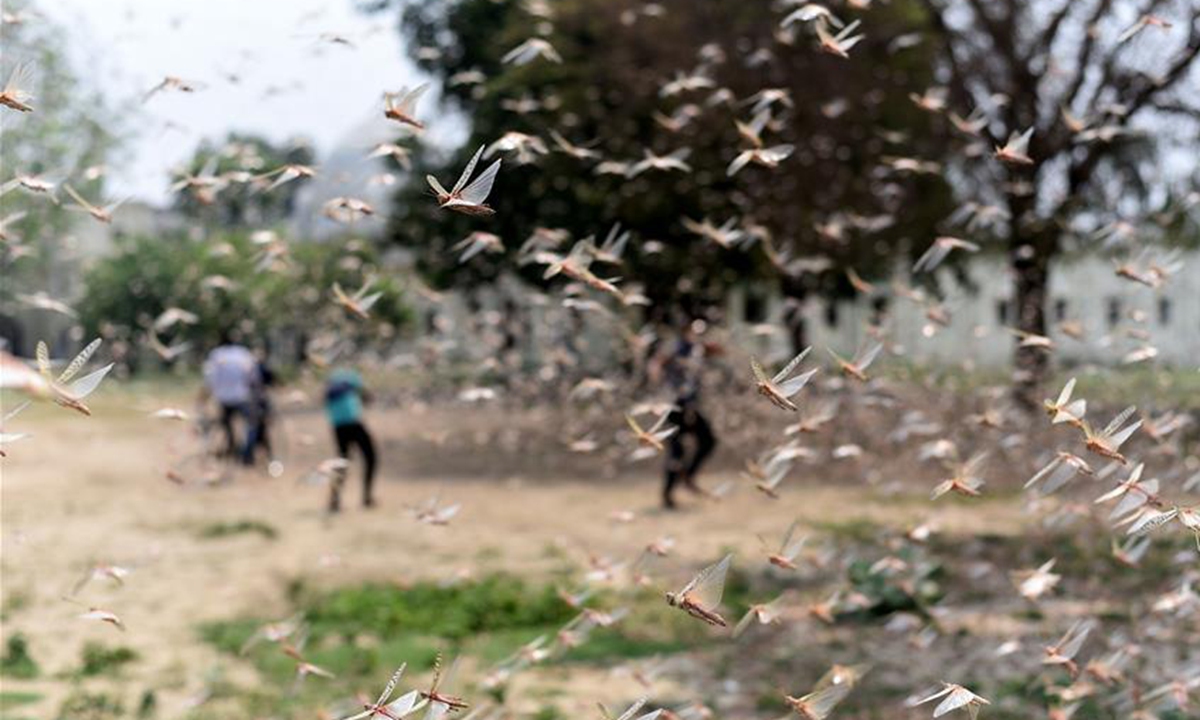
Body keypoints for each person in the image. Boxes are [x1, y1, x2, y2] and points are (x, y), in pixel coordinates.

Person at [649, 318, 718, 509]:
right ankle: (668, 495)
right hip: (675, 407)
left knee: (708, 441)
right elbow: (658, 362)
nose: (699, 335)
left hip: (690, 407)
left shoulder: (696, 349)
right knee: (676, 452)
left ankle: (688, 476)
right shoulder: (678, 348)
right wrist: (657, 375)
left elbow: (711, 352)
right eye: (695, 331)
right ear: (686, 331)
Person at [324, 367, 377, 511]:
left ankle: (334, 501)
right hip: (353, 423)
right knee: (370, 457)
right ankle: (367, 498)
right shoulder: (352, 375)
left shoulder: (331, 376)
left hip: (337, 426)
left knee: (342, 462)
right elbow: (366, 396)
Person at [202, 330, 258, 465]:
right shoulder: (243, 353)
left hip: (223, 398)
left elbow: (210, 379)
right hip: (241, 397)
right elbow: (252, 377)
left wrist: (206, 396)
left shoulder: (216, 354)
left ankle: (232, 448)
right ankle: (247, 454)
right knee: (252, 424)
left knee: (227, 424)